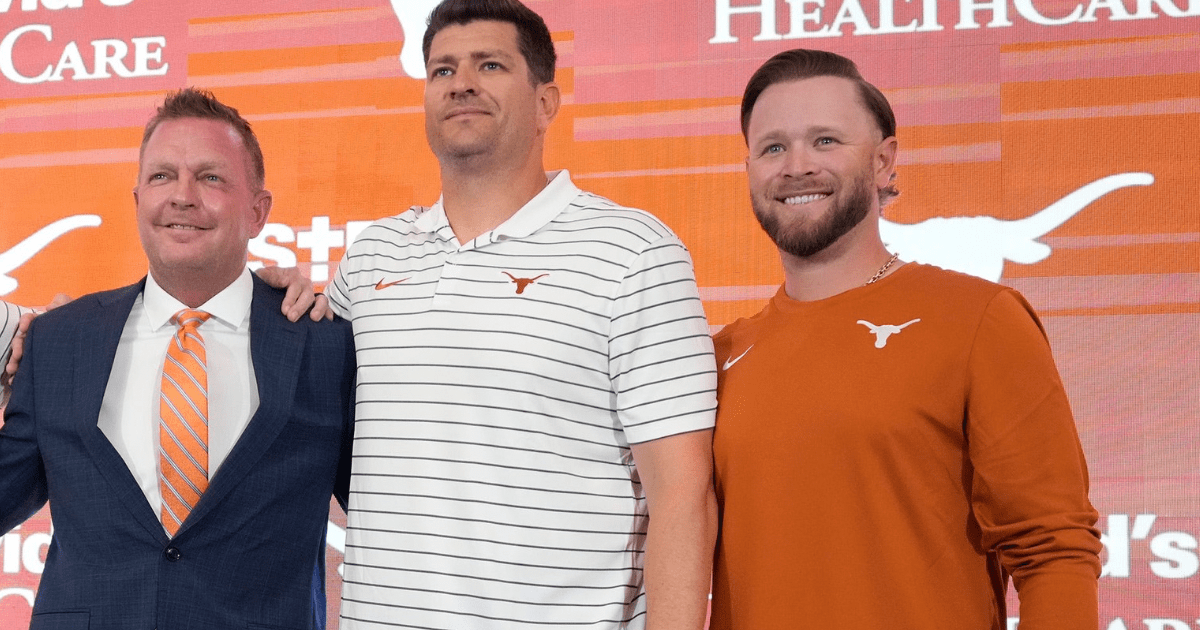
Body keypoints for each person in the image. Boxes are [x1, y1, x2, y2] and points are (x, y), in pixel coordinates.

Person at [323, 0, 717, 628]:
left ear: (545, 103)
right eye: (442, 70)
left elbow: (683, 497)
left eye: (491, 65)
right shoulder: (371, 256)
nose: (462, 84)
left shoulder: (633, 251)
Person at [708, 48, 1102, 630]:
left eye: (825, 141)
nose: (796, 166)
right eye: (772, 147)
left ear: (884, 162)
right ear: (749, 171)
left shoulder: (979, 318)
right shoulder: (716, 358)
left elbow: (1053, 550)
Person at [0, 88, 356, 629]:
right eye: (162, 176)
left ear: (259, 211)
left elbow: (397, 517)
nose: (182, 196)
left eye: (211, 177)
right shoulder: (58, 341)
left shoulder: (325, 346)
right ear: (138, 199)